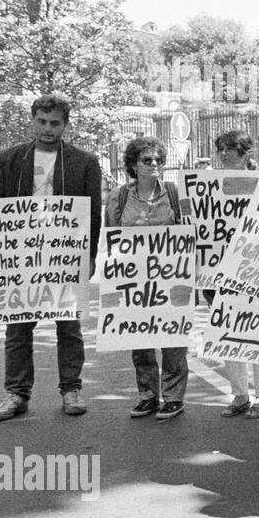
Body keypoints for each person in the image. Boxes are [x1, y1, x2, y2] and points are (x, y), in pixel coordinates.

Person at [0, 94, 102, 420]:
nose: (47, 128)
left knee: (69, 327)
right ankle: (16, 394)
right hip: (21, 257)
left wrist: (90, 256)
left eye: (54, 123)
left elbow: (93, 213)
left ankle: (71, 390)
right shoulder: (7, 160)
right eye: (41, 121)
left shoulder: (84, 162)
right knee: (17, 328)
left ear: (65, 125)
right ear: (32, 120)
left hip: (65, 257)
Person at [104, 137, 189, 421]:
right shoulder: (119, 197)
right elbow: (112, 237)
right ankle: (148, 395)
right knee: (139, 336)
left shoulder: (175, 193)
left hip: (169, 277)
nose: (154, 165)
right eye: (147, 160)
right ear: (133, 165)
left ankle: (174, 397)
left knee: (173, 338)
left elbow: (189, 230)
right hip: (134, 279)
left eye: (158, 160)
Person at [210, 129, 259, 418]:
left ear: (246, 154)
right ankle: (239, 394)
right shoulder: (209, 185)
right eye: (221, 148)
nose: (224, 154)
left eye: (231, 149)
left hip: (256, 268)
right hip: (220, 270)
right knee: (227, 333)